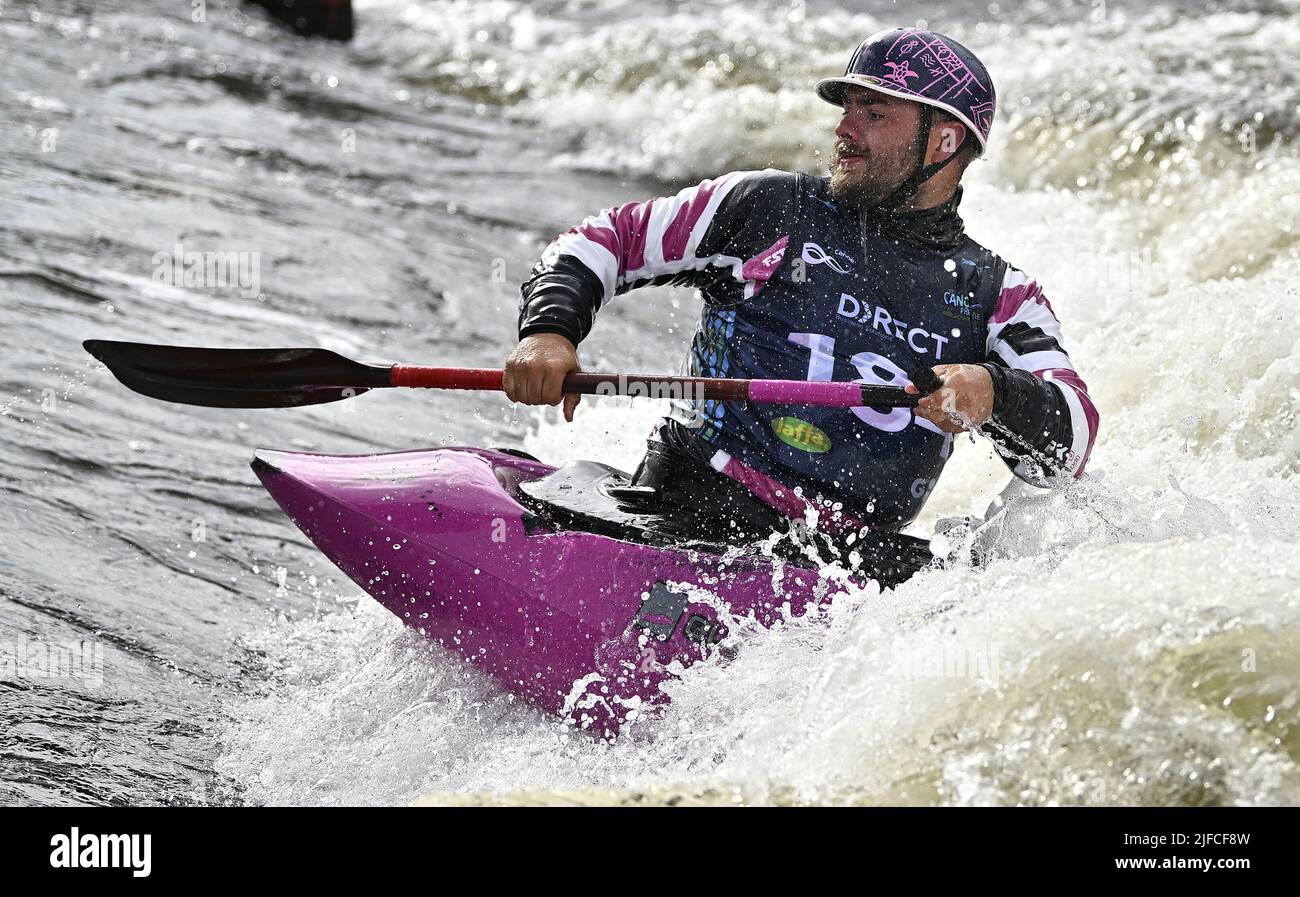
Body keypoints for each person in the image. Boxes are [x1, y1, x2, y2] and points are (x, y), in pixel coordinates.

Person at [503, 27, 1099, 581]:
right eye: (845, 109)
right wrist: (549, 334)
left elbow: (1074, 433)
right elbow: (605, 240)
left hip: (850, 569)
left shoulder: (998, 294)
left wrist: (996, 394)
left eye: (874, 112)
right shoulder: (765, 209)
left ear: (943, 140)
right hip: (696, 507)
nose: (844, 129)